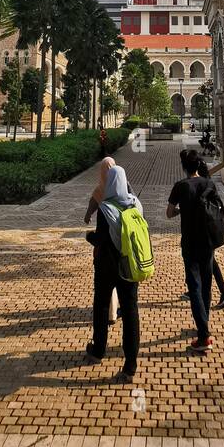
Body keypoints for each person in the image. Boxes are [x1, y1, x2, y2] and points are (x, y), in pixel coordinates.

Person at [83, 156, 140, 380]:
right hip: (130, 267)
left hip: (106, 267)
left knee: (100, 306)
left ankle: (98, 350)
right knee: (131, 311)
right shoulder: (136, 204)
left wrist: (91, 237)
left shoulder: (106, 209)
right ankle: (131, 364)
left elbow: (101, 239)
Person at [167, 150, 221, 353]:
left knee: (195, 286)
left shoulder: (181, 186)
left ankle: (204, 335)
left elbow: (169, 213)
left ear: (184, 166)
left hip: (190, 242)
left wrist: (183, 209)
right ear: (198, 165)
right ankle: (203, 325)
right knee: (206, 285)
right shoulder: (209, 183)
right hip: (208, 242)